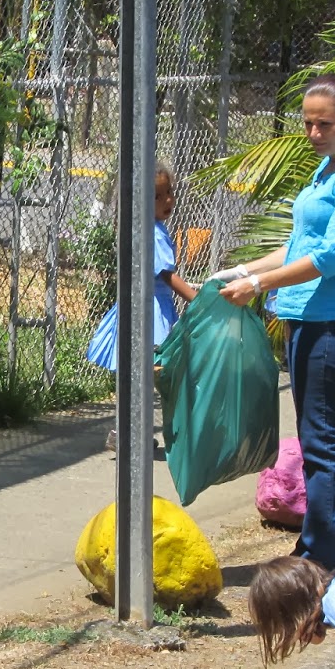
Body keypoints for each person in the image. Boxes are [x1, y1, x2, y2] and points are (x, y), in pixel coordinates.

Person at [214, 72, 335, 569]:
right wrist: (246, 269)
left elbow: (332, 256)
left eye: (325, 124)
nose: (314, 134)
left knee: (324, 442)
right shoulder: (329, 168)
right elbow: (300, 246)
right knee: (316, 439)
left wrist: (259, 286)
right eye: (308, 124)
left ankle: (322, 559)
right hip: (306, 319)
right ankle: (313, 549)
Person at [85, 162, 198, 453]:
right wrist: (197, 298)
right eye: (158, 196)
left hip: (141, 305)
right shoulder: (154, 233)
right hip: (151, 311)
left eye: (170, 193)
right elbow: (167, 275)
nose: (168, 201)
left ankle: (129, 431)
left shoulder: (146, 228)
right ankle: (129, 432)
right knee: (150, 372)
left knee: (141, 375)